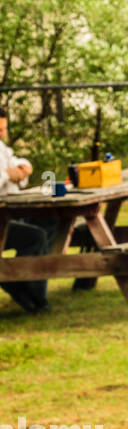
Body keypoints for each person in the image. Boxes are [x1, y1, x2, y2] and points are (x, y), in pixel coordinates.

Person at [0, 108, 55, 314]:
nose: (2, 133)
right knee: (35, 236)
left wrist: (18, 170)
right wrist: (7, 175)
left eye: (4, 128)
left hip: (12, 211)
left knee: (50, 220)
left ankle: (25, 285)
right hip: (2, 218)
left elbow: (23, 169)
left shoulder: (1, 148)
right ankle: (33, 296)